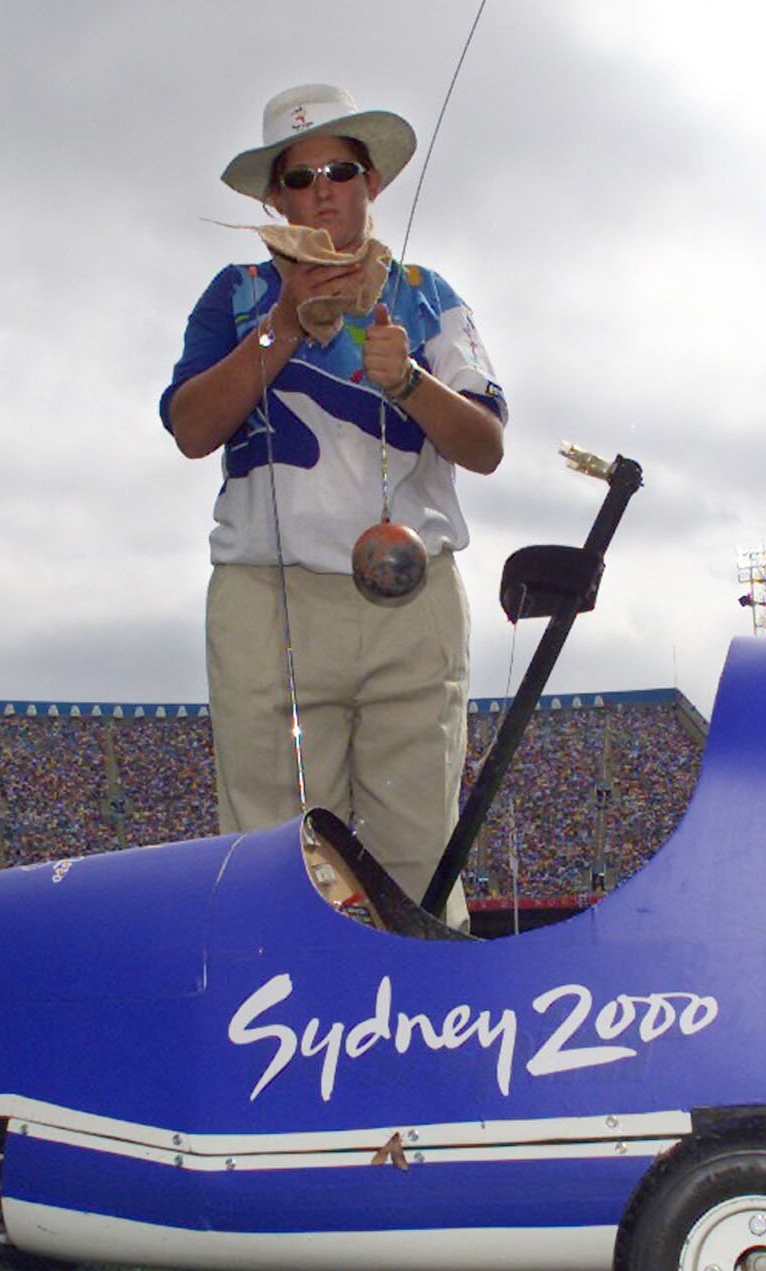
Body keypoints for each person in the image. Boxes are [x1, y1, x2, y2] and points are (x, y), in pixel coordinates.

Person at [162, 83, 506, 924]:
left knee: (420, 853)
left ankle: (430, 1036)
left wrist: (411, 380)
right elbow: (191, 427)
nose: (321, 189)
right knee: (270, 853)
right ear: (273, 197)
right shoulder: (235, 293)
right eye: (299, 175)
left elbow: (487, 444)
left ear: (372, 183)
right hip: (264, 598)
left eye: (340, 170)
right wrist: (283, 322)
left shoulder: (429, 294)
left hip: (411, 598)